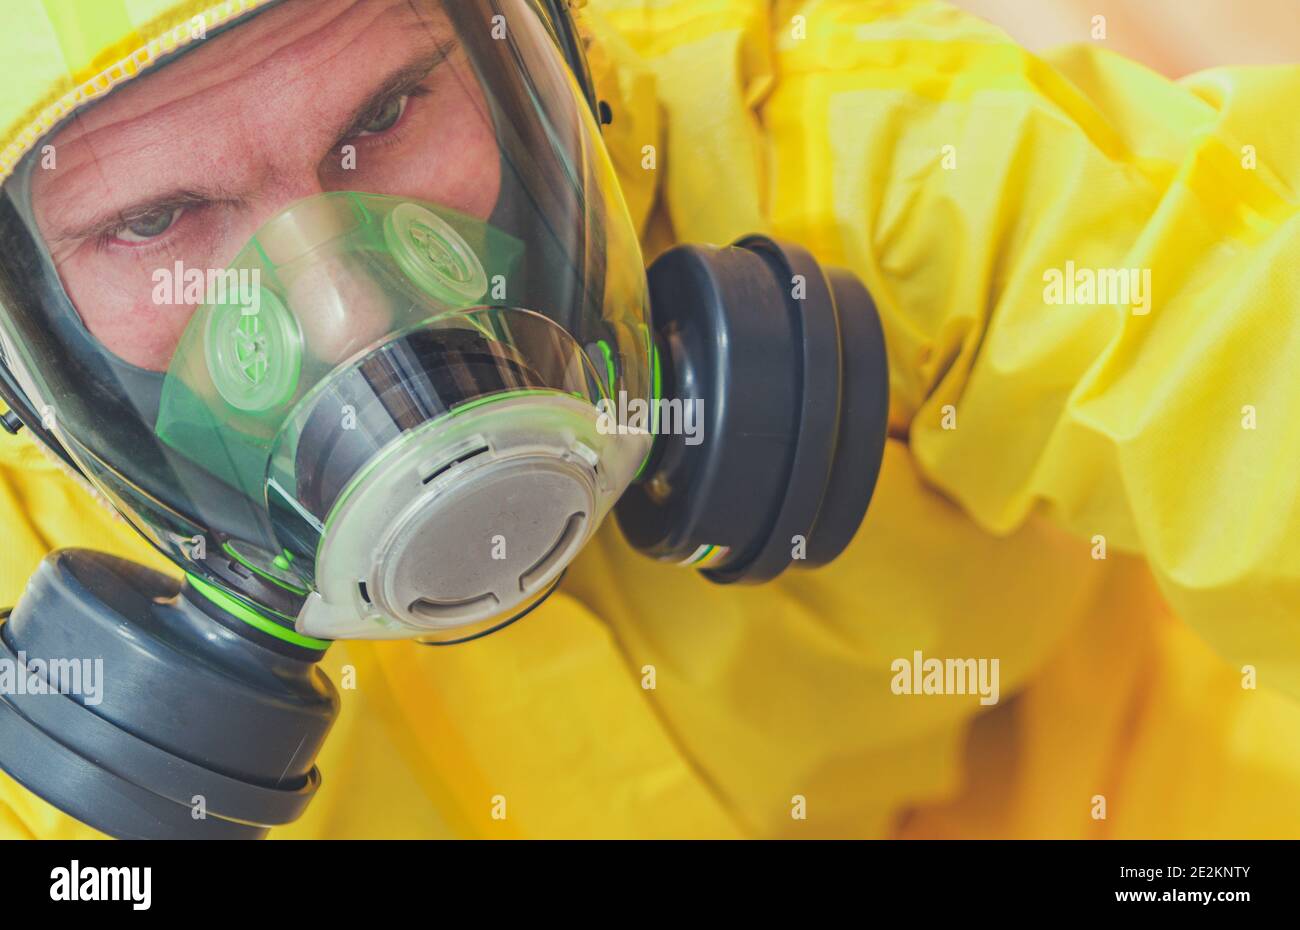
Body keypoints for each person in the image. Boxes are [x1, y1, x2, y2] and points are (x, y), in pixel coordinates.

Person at [1, 0, 1299, 839]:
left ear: (556, 61)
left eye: (388, 115)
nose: (343, 318)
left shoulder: (863, 182)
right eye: (157, 220)